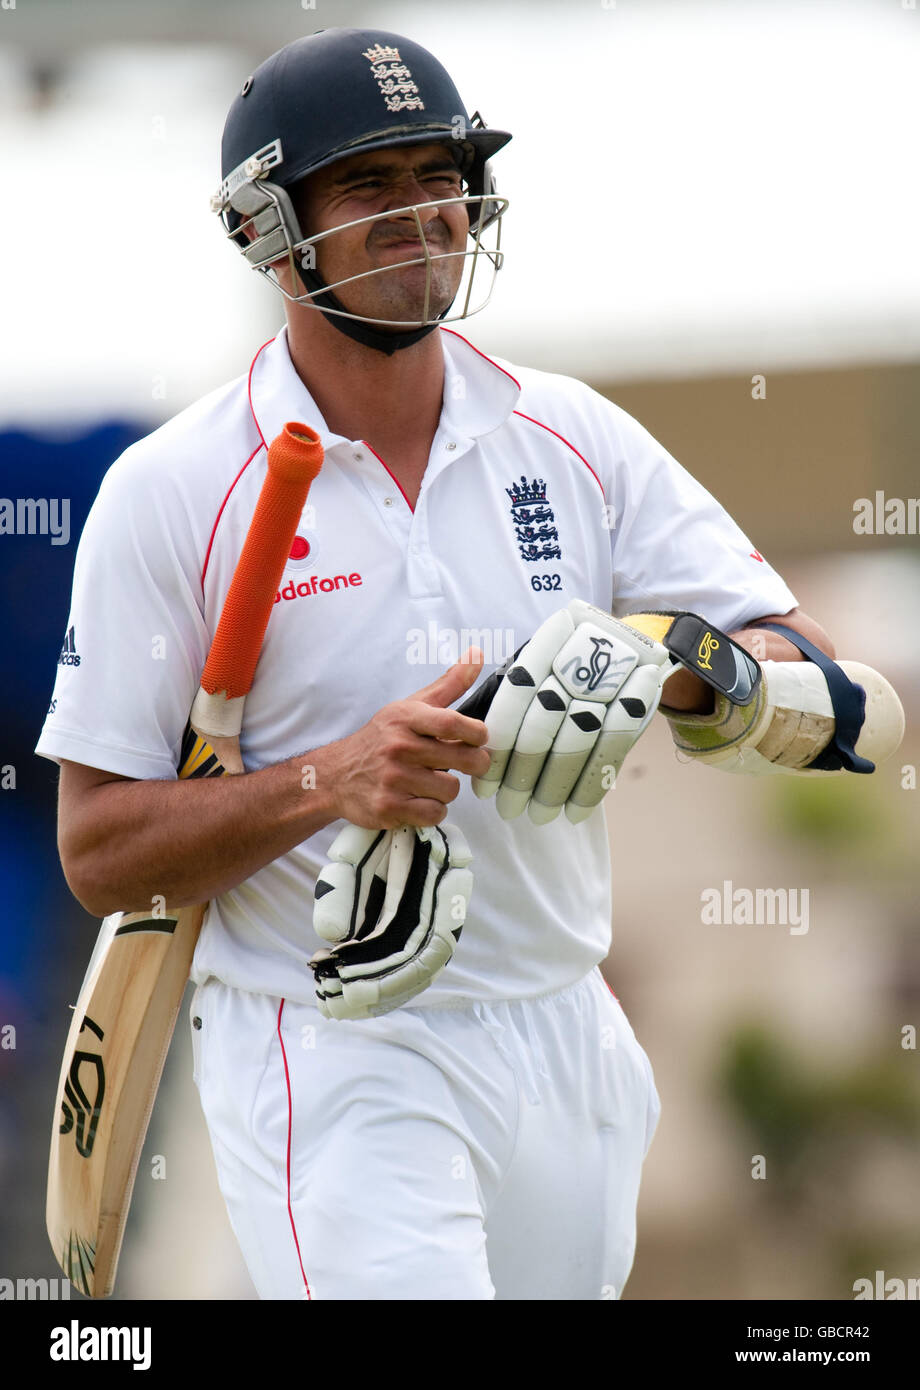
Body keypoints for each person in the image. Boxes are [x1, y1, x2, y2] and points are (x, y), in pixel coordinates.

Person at [36, 28, 871, 1301]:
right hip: (334, 1041)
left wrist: (658, 659)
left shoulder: (572, 436)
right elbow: (99, 851)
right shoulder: (173, 490)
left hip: (565, 1028)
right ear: (270, 229)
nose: (422, 213)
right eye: (369, 185)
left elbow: (821, 684)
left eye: (440, 176)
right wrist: (327, 780)